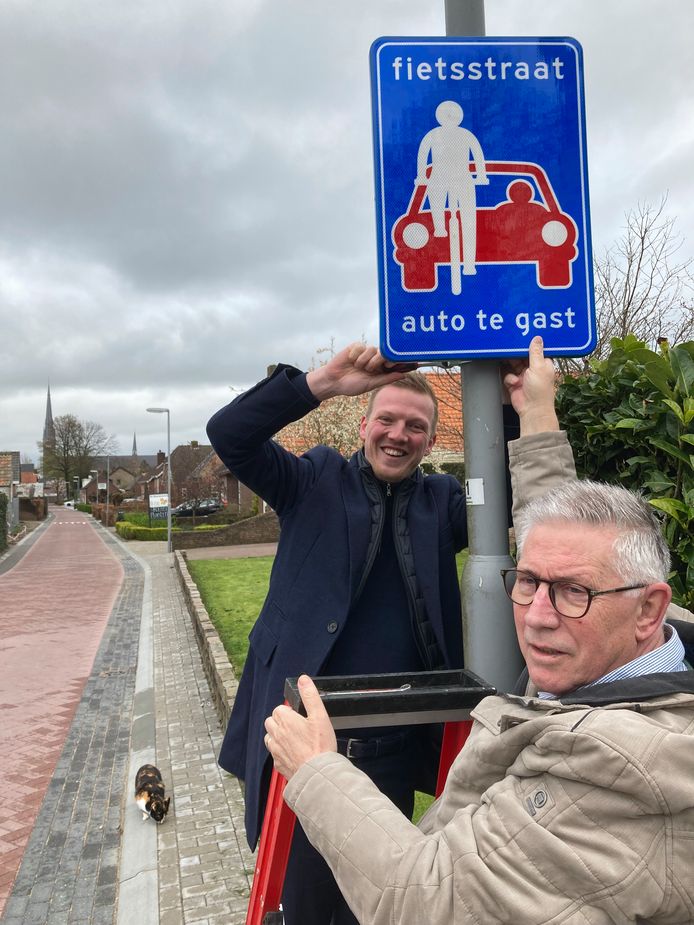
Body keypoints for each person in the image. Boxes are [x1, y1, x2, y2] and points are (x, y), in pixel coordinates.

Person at [206, 341, 536, 925]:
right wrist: (324, 382)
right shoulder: (311, 480)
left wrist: (511, 404)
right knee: (305, 906)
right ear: (364, 425)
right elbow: (230, 435)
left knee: (377, 904)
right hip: (305, 750)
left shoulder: (444, 503)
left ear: (430, 442)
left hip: (393, 757)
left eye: (416, 426)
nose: (398, 435)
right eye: (387, 419)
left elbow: (510, 486)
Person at [265, 479, 694, 924]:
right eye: (528, 581)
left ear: (648, 610)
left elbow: (425, 904)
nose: (537, 617)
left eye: (573, 591)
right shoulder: (623, 661)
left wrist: (315, 768)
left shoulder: (617, 766)